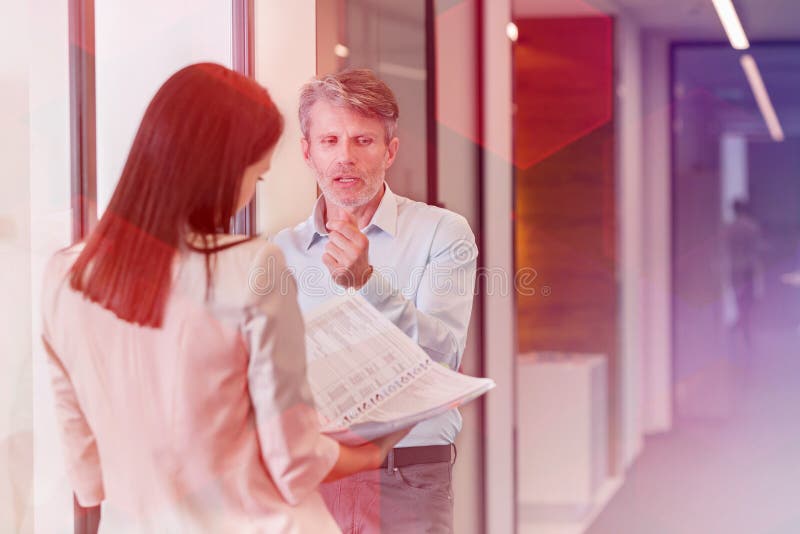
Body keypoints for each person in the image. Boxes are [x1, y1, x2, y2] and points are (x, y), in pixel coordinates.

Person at [41, 63, 407, 533]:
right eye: (255, 180)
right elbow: (292, 462)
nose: (247, 196)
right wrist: (371, 453)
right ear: (220, 173)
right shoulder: (253, 265)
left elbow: (86, 473)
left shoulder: (63, 276)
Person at [273, 68, 478, 533]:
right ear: (307, 153)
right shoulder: (280, 252)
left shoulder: (441, 233)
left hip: (405, 476)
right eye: (329, 141)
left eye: (363, 141)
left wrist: (367, 282)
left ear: (390, 151)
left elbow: (443, 358)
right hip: (311, 477)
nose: (344, 157)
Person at [724, 199, 762, 349]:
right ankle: (744, 324)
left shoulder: (729, 229)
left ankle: (742, 322)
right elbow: (756, 250)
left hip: (735, 267)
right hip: (748, 267)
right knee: (748, 298)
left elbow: (726, 249)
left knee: (739, 297)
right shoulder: (752, 227)